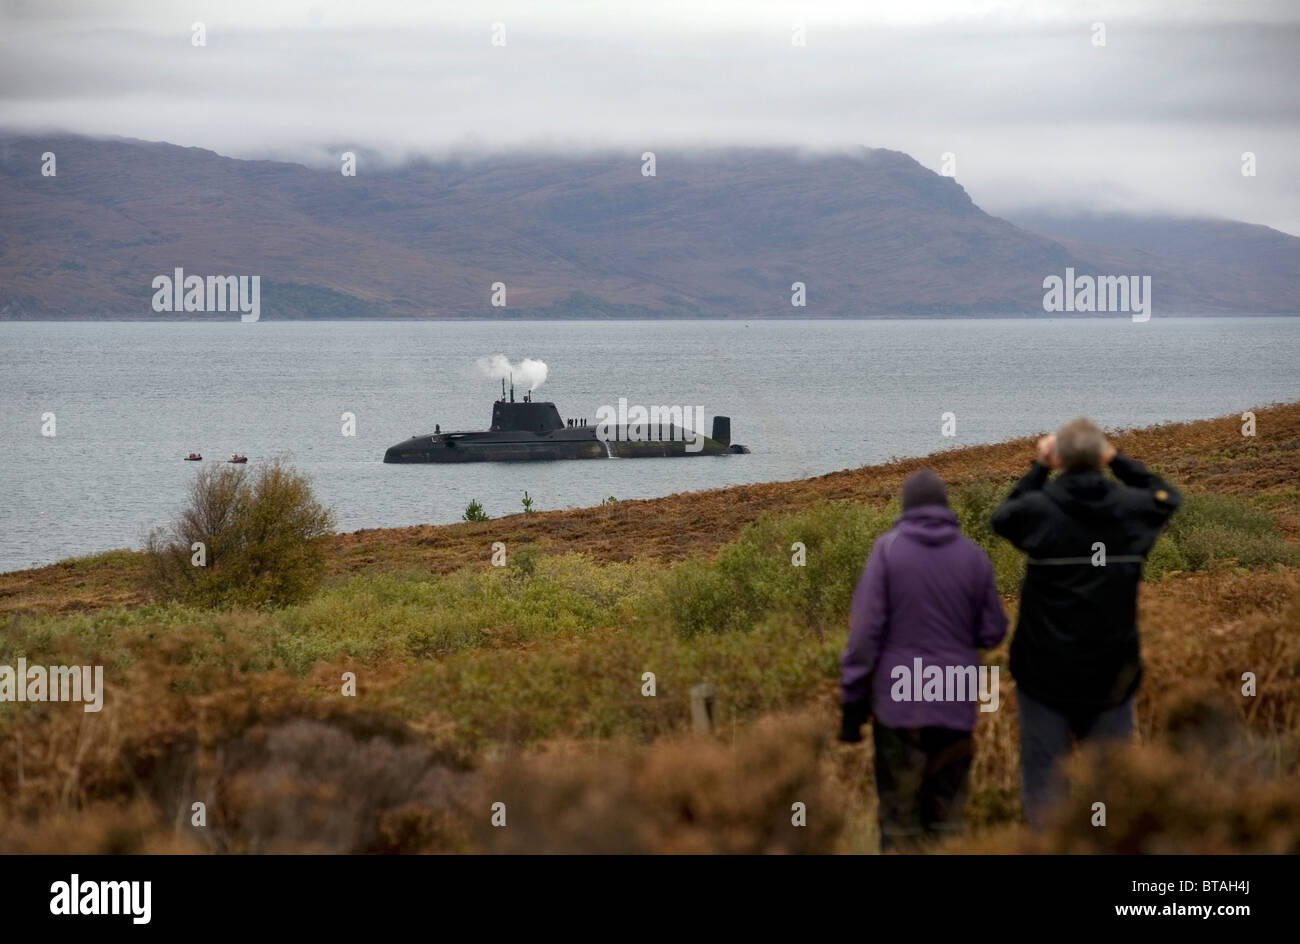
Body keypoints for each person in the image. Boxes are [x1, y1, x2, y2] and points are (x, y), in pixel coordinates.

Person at [991, 418, 1180, 828]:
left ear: (1058, 458)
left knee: (1044, 787)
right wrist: (1119, 460)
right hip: (1112, 674)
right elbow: (1167, 498)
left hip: (1044, 674)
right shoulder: (1130, 513)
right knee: (1110, 787)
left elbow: (1003, 517)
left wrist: (1040, 467)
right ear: (1100, 457)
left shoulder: (1041, 511)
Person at [839, 468, 1007, 851]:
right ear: (945, 506)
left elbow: (864, 636)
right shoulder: (973, 557)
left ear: (906, 506)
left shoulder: (887, 550)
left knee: (898, 822)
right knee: (947, 822)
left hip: (898, 711)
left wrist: (852, 704)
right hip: (954, 708)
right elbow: (993, 631)